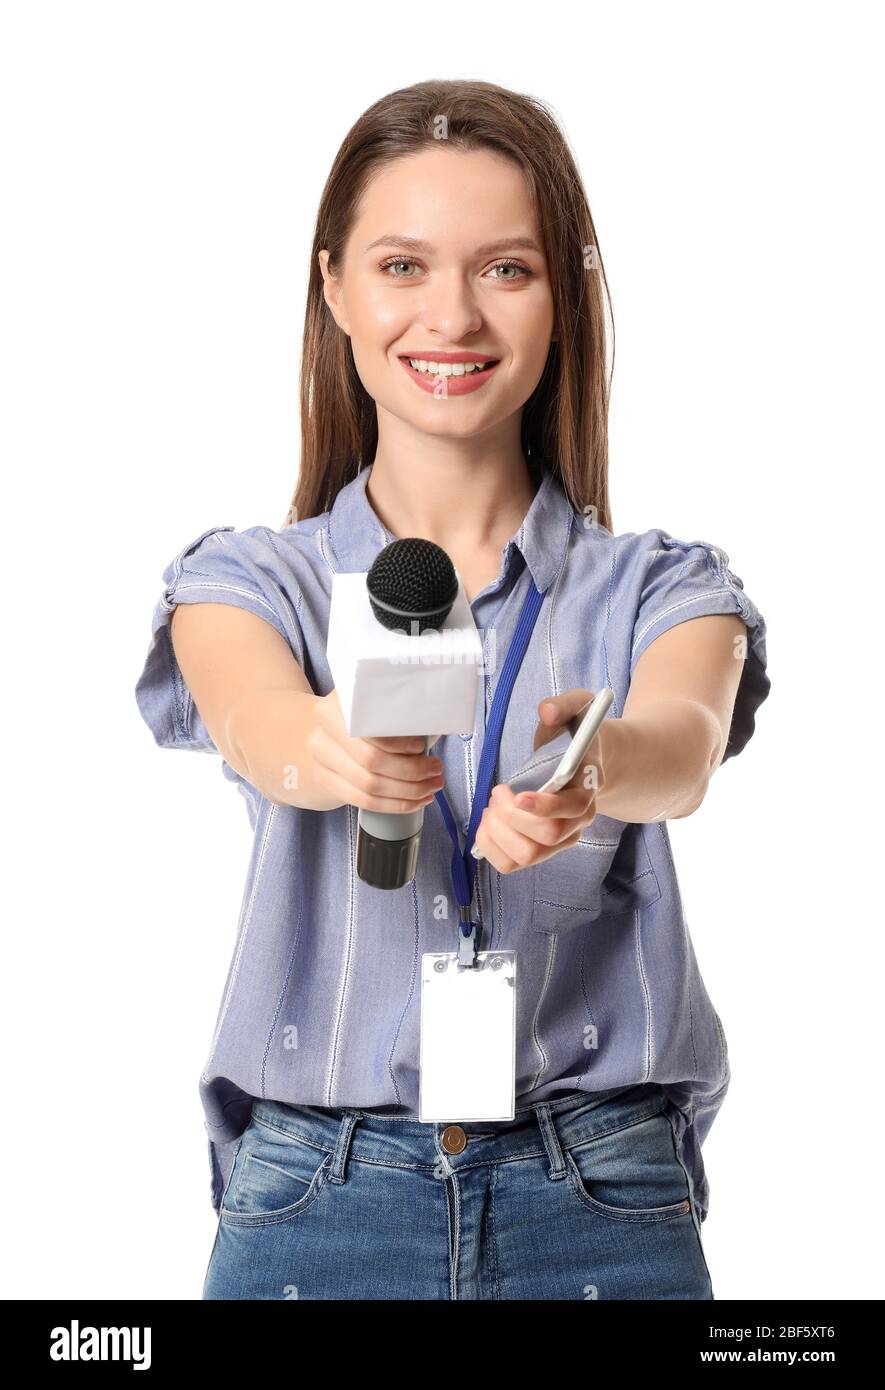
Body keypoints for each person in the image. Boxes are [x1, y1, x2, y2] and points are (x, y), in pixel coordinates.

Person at [134, 78, 770, 1301]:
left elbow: (682, 742)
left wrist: (596, 765)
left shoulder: (657, 585)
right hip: (315, 1199)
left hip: (600, 1199)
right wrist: (323, 746)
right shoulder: (250, 576)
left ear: (564, 297)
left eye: (507, 270)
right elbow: (250, 711)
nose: (454, 316)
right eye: (403, 265)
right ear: (335, 289)